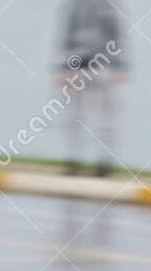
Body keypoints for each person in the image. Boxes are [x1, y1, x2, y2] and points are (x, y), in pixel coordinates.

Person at [57, 0, 127, 177]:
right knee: (75, 117)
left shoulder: (110, 6)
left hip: (103, 66)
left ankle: (104, 162)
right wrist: (63, 68)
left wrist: (119, 66)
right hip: (78, 65)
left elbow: (116, 36)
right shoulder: (74, 6)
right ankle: (74, 160)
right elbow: (66, 36)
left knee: (106, 118)